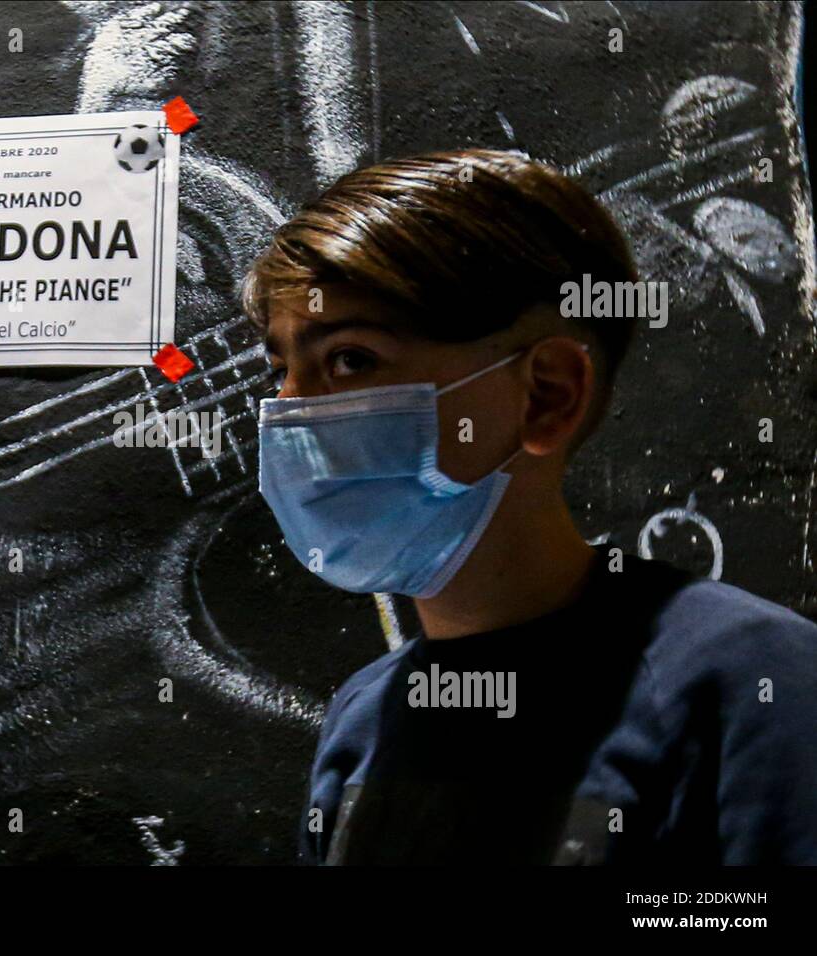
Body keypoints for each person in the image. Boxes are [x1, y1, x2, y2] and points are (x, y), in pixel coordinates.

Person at [242, 148, 817, 865]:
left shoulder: (750, 682)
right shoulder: (364, 719)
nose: (288, 412)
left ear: (547, 395)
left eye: (351, 359)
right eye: (279, 369)